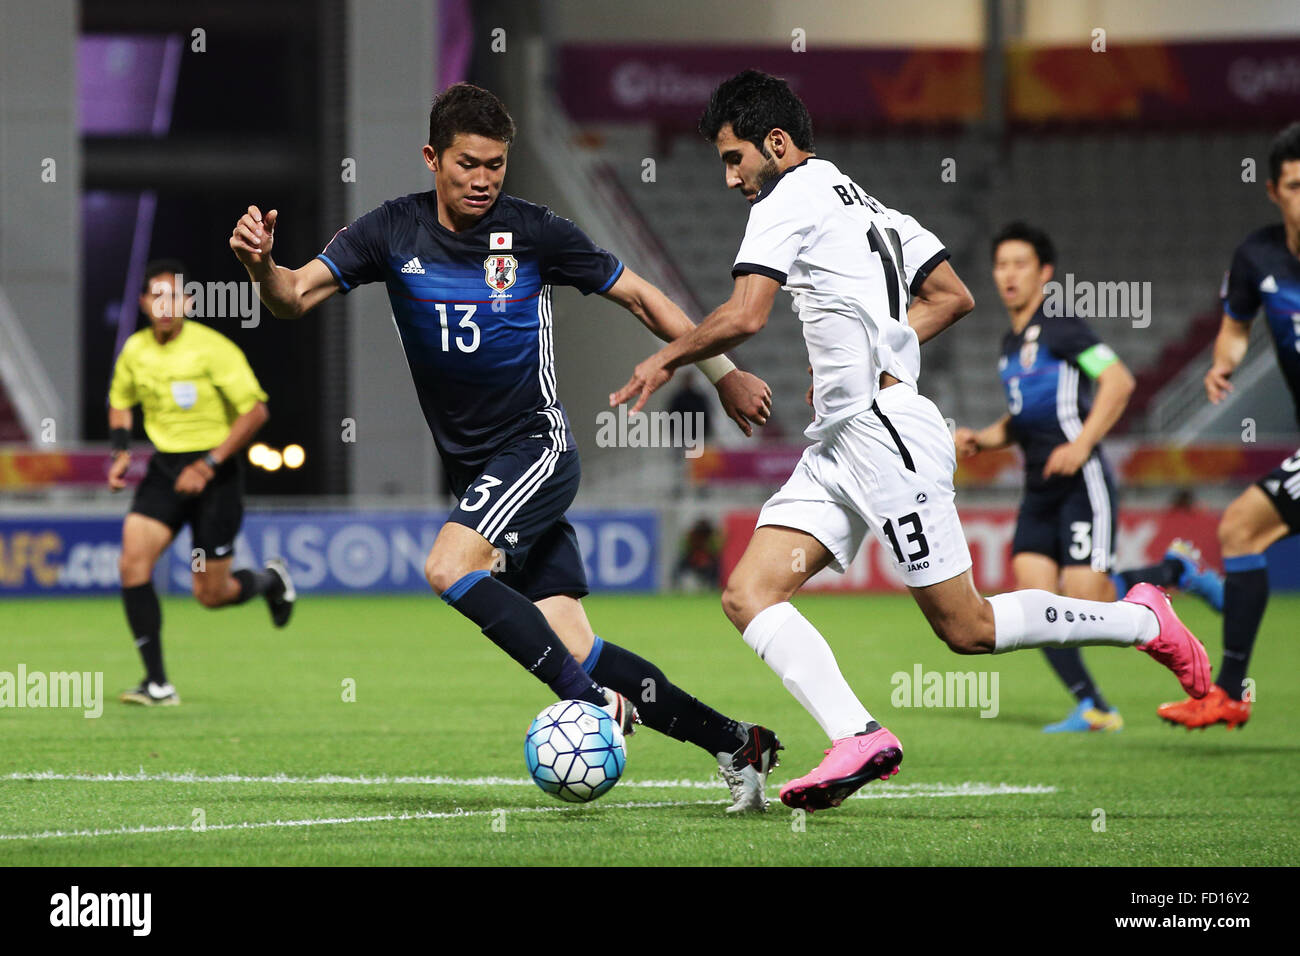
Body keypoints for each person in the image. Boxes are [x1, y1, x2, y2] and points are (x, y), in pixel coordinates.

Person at [613, 70, 1211, 812]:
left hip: (883, 432)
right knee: (748, 592)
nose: (731, 177)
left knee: (967, 628)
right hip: (841, 439)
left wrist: (664, 359)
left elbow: (744, 315)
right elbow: (951, 296)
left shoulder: (787, 196)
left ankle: (1142, 617)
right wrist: (878, 351)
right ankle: (858, 735)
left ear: (775, 143)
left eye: (734, 158)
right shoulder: (861, 198)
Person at [229, 82, 782, 811]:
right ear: (432, 157)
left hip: (535, 446)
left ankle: (590, 704)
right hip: (478, 470)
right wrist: (259, 267)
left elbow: (644, 297)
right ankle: (736, 742)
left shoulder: (535, 232)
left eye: (496, 164)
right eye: (467, 164)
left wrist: (724, 372)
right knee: (575, 644)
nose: (484, 179)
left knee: (447, 566)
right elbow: (292, 296)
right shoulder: (389, 232)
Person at [956, 222, 1224, 733]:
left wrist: (1080, 446)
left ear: (1044, 273)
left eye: (1020, 264)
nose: (1008, 274)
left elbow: (1118, 381)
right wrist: (983, 439)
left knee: (1086, 601)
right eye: (1001, 264)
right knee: (1036, 605)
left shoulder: (1061, 326)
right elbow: (1023, 418)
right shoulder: (1010, 342)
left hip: (1081, 481)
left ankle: (1176, 573)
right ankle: (1094, 707)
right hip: (1039, 489)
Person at [1159, 121, 1300, 731]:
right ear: (1273, 191)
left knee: (1242, 525)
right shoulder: (1258, 256)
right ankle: (1230, 692)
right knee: (1241, 529)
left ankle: (1229, 690)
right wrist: (1221, 366)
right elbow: (1238, 322)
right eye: (1296, 185)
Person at [108, 260, 295, 706]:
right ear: (143, 304)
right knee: (132, 564)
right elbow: (120, 402)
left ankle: (269, 580)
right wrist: (120, 451)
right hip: (165, 470)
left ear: (189, 302)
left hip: (217, 475)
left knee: (210, 595)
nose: (165, 306)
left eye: (174, 296)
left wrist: (208, 464)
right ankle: (157, 683)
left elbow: (256, 412)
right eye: (157, 296)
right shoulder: (135, 350)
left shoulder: (213, 349)